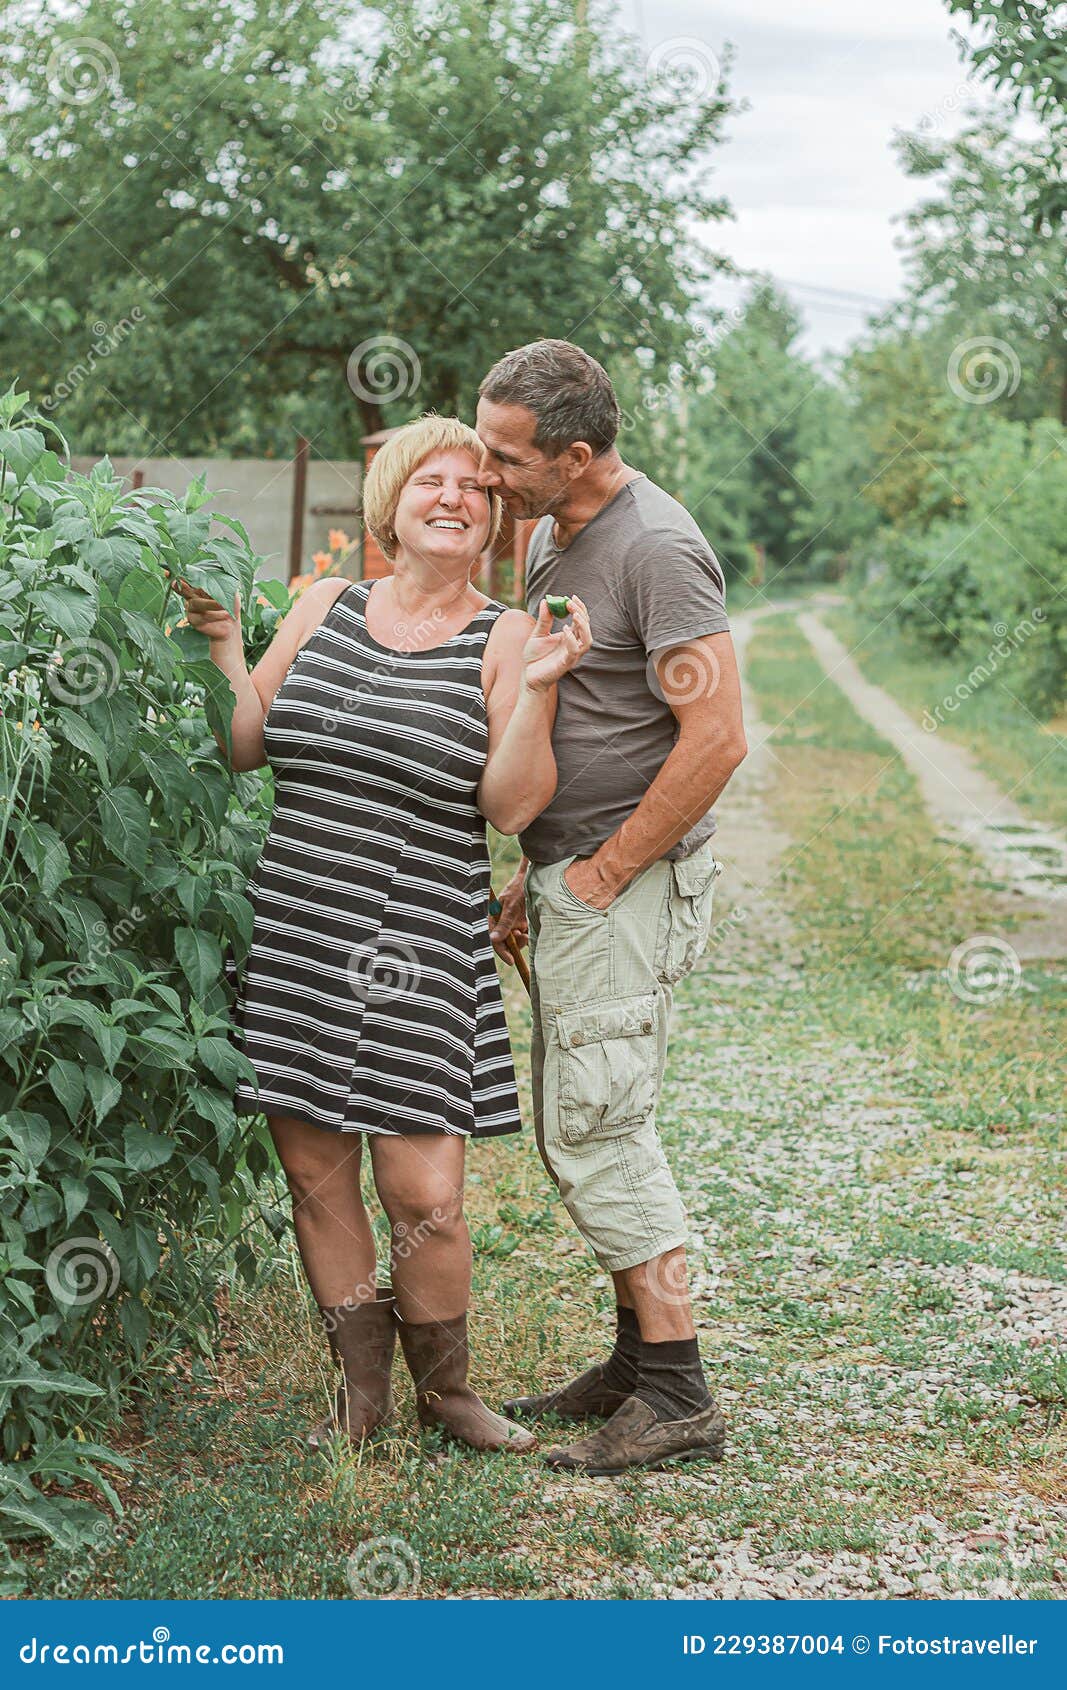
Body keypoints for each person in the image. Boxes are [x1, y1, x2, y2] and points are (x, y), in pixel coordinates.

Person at [178, 414, 591, 1455]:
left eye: (475, 487)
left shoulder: (505, 635)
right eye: (431, 482)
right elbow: (244, 743)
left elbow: (509, 806)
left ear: (492, 518)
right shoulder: (324, 604)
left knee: (427, 1195)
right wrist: (227, 648)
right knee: (317, 1180)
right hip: (299, 932)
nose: (454, 497)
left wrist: (537, 694)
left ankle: (447, 1396)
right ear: (391, 507)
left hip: (416, 946)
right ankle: (359, 1400)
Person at [477, 340, 747, 1475]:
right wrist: (533, 868)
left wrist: (597, 871)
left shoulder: (657, 551)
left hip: (618, 882)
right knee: (592, 1111)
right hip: (571, 871)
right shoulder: (551, 533)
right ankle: (635, 1362)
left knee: (600, 1127)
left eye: (502, 455)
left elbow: (716, 737)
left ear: (573, 455)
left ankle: (678, 1386)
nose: (483, 471)